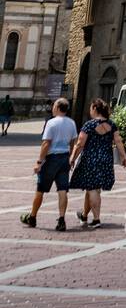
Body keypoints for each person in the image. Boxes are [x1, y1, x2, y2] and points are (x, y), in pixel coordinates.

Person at [20, 97, 77, 231]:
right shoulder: (72, 123)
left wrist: (39, 162)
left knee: (41, 189)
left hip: (52, 159)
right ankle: (62, 219)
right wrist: (71, 157)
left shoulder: (51, 123)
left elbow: (46, 143)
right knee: (62, 190)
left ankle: (32, 217)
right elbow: (73, 142)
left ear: (57, 107)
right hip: (64, 158)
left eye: (53, 106)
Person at [70, 98, 126, 226]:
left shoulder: (89, 125)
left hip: (91, 160)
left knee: (93, 189)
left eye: (91, 108)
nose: (90, 110)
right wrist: (123, 156)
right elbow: (118, 141)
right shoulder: (112, 125)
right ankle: (84, 216)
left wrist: (73, 158)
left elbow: (79, 144)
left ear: (95, 109)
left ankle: (96, 219)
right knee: (92, 189)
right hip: (106, 160)